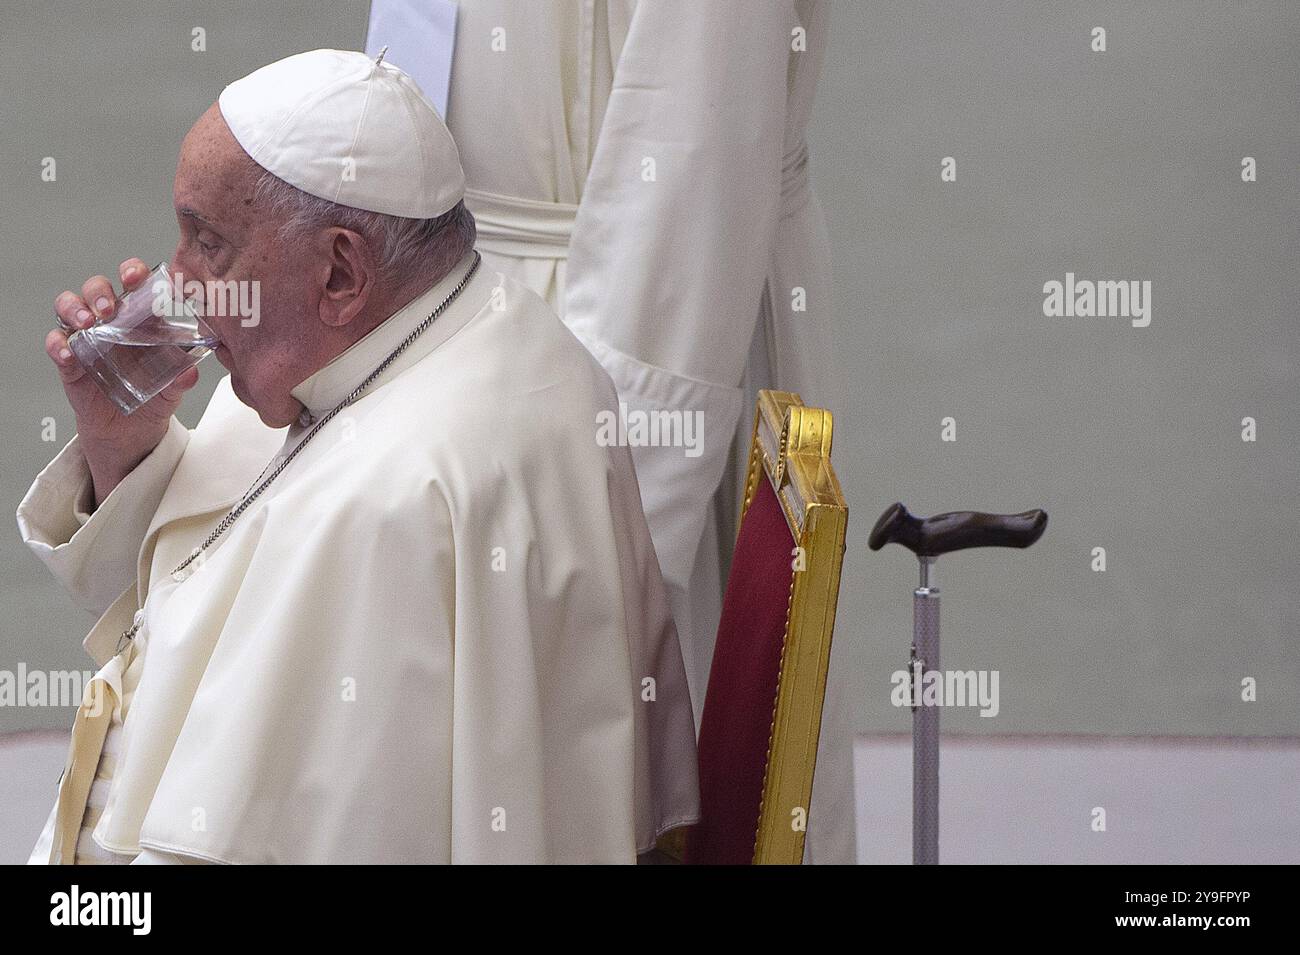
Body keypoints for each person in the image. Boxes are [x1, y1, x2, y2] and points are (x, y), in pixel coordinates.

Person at [18, 48, 698, 864]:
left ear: (341, 271)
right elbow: (178, 595)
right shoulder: (473, 330)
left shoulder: (390, 503)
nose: (178, 280)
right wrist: (119, 447)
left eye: (209, 244)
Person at [366, 0, 852, 863]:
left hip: (617, 316)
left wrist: (603, 528)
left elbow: (695, 154)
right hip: (455, 302)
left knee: (609, 732)